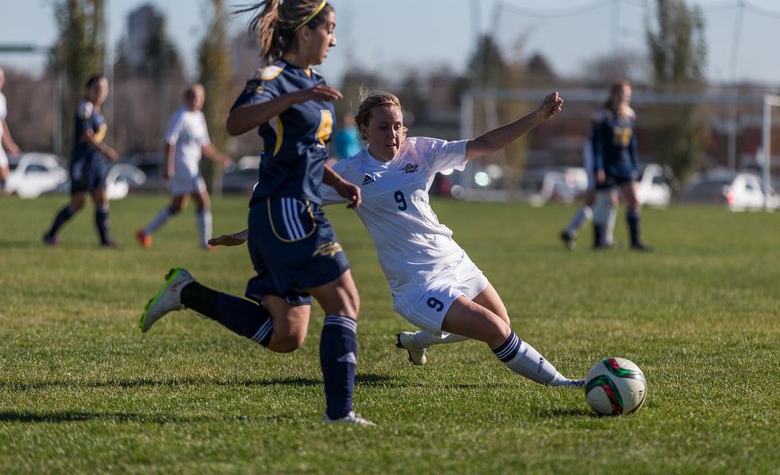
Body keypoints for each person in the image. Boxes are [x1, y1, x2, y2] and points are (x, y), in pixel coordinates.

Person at [212, 89, 584, 389]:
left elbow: (484, 143)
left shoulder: (421, 151)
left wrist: (536, 117)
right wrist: (249, 232)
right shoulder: (350, 172)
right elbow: (291, 196)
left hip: (455, 260)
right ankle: (562, 383)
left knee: (501, 324)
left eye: (398, 127)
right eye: (383, 127)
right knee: (496, 330)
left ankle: (416, 340)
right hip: (417, 285)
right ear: (364, 130)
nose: (393, 134)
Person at [138, 0, 372, 426]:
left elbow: (305, 155)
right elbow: (235, 121)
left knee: (287, 335)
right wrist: (291, 99)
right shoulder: (276, 78)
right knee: (345, 302)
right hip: (287, 213)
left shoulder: (311, 85)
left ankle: (185, 291)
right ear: (306, 31)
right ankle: (340, 416)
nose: (334, 41)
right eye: (330, 30)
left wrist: (338, 181)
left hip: (283, 213)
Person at [136, 84, 231, 249]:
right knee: (204, 201)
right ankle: (206, 242)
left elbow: (204, 144)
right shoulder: (180, 116)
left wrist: (219, 158)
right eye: (193, 97)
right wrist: (168, 166)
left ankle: (145, 233)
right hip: (183, 166)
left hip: (192, 165)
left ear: (203, 100)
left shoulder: (199, 117)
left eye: (199, 97)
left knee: (178, 205)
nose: (196, 100)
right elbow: (169, 141)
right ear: (186, 98)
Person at [43, 75, 119, 247]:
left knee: (102, 198)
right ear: (89, 89)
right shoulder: (85, 108)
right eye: (98, 88)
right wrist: (106, 150)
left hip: (96, 161)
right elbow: (87, 135)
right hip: (83, 162)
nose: (102, 92)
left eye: (105, 89)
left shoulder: (97, 111)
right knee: (78, 203)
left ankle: (105, 240)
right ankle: (50, 234)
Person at [591, 80, 652, 251]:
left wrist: (634, 166)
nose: (624, 98)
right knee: (605, 203)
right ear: (613, 95)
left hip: (624, 164)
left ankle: (635, 241)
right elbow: (597, 145)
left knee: (633, 200)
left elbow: (632, 144)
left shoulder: (629, 115)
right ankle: (598, 241)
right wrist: (598, 167)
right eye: (621, 94)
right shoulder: (603, 116)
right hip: (608, 165)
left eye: (627, 95)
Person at [559, 127, 618, 250]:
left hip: (601, 172)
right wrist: (595, 176)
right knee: (605, 203)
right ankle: (605, 239)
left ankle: (570, 232)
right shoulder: (599, 132)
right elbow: (593, 158)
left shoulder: (603, 130)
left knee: (597, 204)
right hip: (598, 174)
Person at [0, 68, 22, 193]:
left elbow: (2, 124)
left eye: (1, 78)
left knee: (5, 177)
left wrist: (10, 144)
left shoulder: (2, 99)